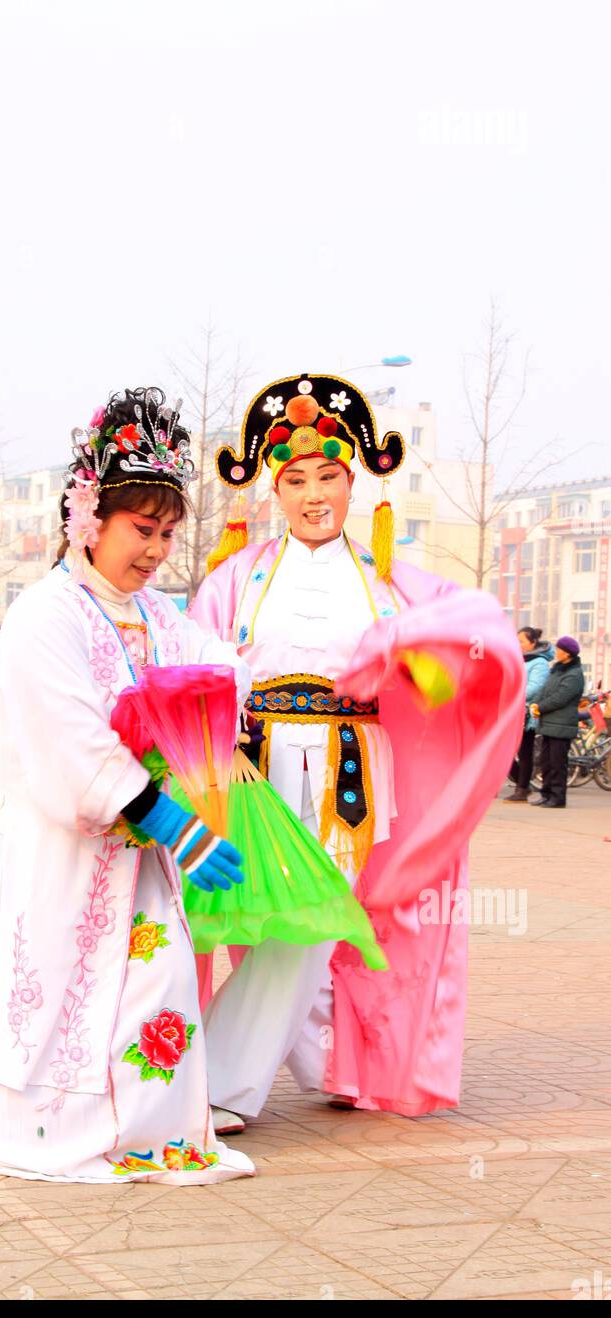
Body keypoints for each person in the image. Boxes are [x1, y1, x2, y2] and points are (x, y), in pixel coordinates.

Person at [0, 386, 255, 1185]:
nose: (156, 551)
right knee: (48, 999)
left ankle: (150, 1132)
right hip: (52, 854)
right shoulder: (45, 616)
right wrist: (178, 824)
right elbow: (71, 743)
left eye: (168, 534)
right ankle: (35, 1129)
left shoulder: (159, 618)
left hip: (136, 857)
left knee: (153, 983)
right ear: (88, 517)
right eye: (143, 529)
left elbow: (229, 669)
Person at [191, 373, 523, 1123]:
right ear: (274, 491)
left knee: (324, 919)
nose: (314, 495)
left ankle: (222, 1084)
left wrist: (433, 671)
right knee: (280, 921)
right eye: (297, 479)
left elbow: (450, 654)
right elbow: (200, 665)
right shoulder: (232, 581)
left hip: (354, 773)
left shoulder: (394, 584)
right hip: (259, 769)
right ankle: (322, 1065)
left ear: (354, 481)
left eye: (329, 477)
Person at [529, 635, 585, 808]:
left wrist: (541, 707)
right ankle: (546, 794)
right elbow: (545, 690)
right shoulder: (557, 670)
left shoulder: (575, 674)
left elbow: (560, 698)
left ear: (568, 653)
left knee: (558, 763)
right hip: (548, 723)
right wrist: (535, 703)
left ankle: (558, 797)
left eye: (560, 649)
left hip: (561, 724)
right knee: (545, 762)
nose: (557, 652)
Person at [503, 626, 553, 801]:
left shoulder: (539, 663)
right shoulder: (519, 660)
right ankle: (522, 783)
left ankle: (522, 788)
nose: (518, 644)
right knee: (504, 753)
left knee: (525, 752)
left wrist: (511, 694)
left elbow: (534, 688)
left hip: (526, 714)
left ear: (533, 643)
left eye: (521, 641)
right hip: (512, 712)